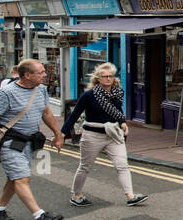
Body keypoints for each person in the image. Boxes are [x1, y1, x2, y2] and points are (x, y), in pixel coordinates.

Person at [0, 58, 64, 220]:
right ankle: (39, 215)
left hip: (28, 142)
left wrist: (58, 134)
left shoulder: (40, 90)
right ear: (27, 75)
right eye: (40, 72)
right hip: (10, 142)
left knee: (14, 178)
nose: (45, 75)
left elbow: (46, 112)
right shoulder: (7, 93)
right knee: (22, 177)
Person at [61, 62, 147, 207]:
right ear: (98, 79)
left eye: (111, 76)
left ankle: (131, 196)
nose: (108, 79)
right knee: (85, 166)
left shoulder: (117, 93)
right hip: (92, 135)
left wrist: (123, 123)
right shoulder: (88, 95)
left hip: (113, 135)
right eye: (105, 76)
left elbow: (117, 112)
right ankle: (76, 195)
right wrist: (62, 134)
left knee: (122, 165)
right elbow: (74, 115)